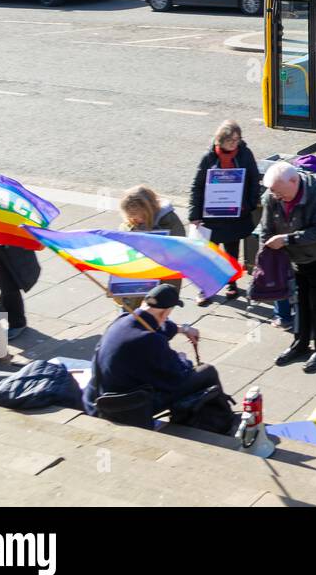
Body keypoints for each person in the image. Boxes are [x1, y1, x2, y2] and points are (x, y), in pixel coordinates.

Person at [82, 283, 219, 426]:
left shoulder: (122, 320)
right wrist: (182, 359)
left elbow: (156, 327)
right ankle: (216, 418)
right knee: (207, 372)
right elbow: (177, 376)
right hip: (125, 408)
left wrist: (183, 329)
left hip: (95, 398)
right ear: (165, 313)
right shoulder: (151, 340)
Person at [257, 161, 316, 373]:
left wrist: (287, 240)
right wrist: (264, 253)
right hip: (297, 257)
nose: (277, 197)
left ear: (295, 181)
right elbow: (266, 227)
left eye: (280, 193)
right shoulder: (273, 193)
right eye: (274, 193)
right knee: (300, 301)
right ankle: (301, 344)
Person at [188, 120, 261, 307]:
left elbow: (254, 180)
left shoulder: (245, 154)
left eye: (237, 139)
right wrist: (194, 215)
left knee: (231, 253)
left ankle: (232, 284)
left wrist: (250, 204)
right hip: (211, 215)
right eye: (230, 140)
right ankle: (205, 287)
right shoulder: (209, 158)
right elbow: (197, 186)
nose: (234, 143)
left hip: (235, 215)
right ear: (221, 140)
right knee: (209, 254)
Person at [115, 186, 185, 313]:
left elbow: (180, 251)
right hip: (137, 281)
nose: (133, 220)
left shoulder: (170, 221)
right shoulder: (130, 223)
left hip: (162, 281)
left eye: (137, 217)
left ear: (148, 210)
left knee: (156, 315)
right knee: (129, 313)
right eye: (130, 217)